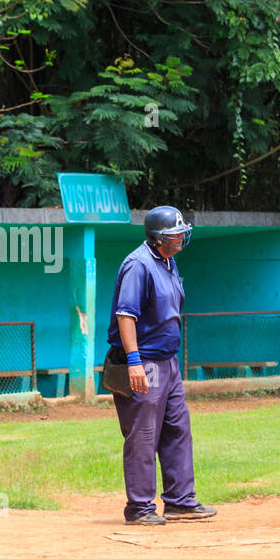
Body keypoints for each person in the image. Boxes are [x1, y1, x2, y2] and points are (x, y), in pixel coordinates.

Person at [106, 205, 218, 526]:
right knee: (143, 435)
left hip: (168, 363)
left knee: (178, 430)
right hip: (145, 363)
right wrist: (134, 361)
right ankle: (140, 508)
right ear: (158, 238)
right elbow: (126, 315)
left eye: (182, 231)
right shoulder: (138, 265)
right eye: (174, 232)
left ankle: (180, 501)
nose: (181, 236)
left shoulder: (168, 263)